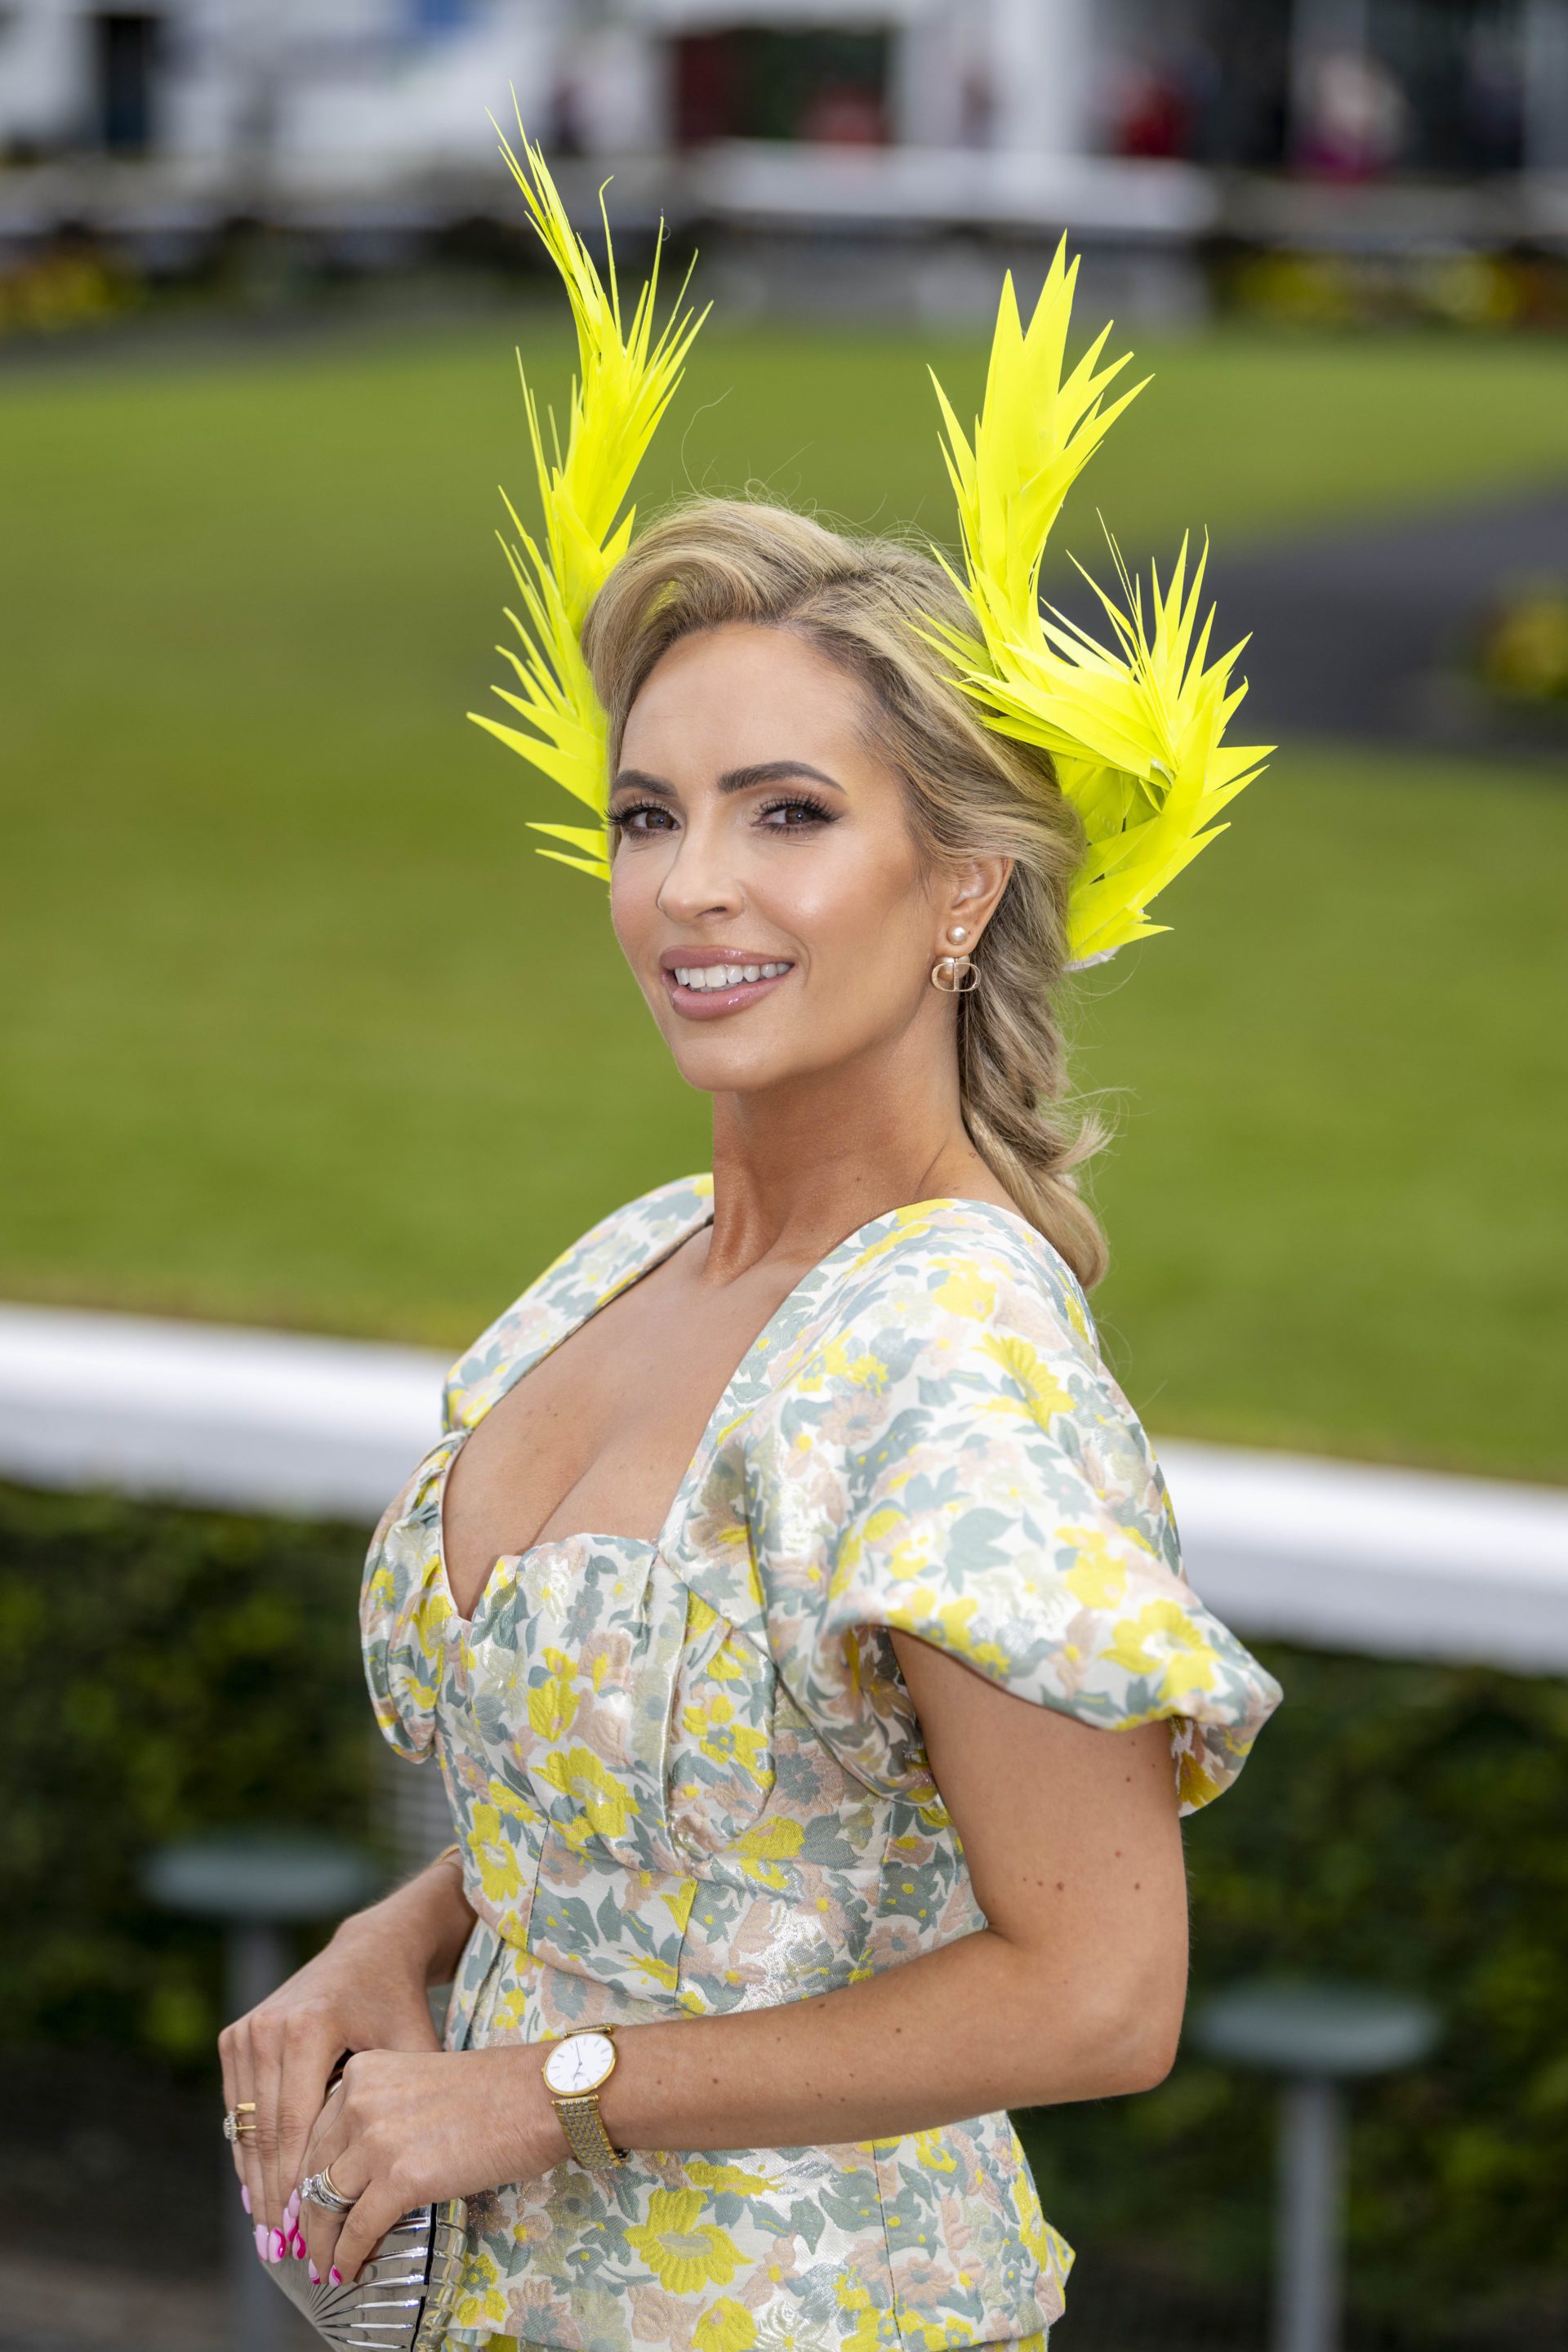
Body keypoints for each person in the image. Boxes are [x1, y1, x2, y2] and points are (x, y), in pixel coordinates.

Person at [218, 136, 1282, 2352]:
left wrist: (551, 2092)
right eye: (648, 813)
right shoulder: (622, 1263)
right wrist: (405, 1938)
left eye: (789, 814)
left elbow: (1102, 1990)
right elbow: (693, 1813)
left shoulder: (949, 1343)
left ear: (963, 884)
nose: (693, 885)